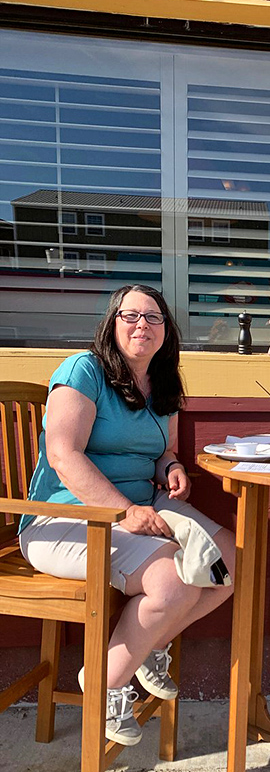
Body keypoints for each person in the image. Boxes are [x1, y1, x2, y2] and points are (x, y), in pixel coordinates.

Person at [19, 284, 235, 746]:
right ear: (112, 323)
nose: (142, 325)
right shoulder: (84, 370)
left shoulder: (164, 382)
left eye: (153, 317)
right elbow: (63, 454)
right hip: (66, 518)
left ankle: (151, 645)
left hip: (141, 506)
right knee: (173, 581)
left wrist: (172, 465)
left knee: (230, 560)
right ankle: (106, 683)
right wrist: (124, 511)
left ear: (166, 331)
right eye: (131, 315)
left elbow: (162, 450)